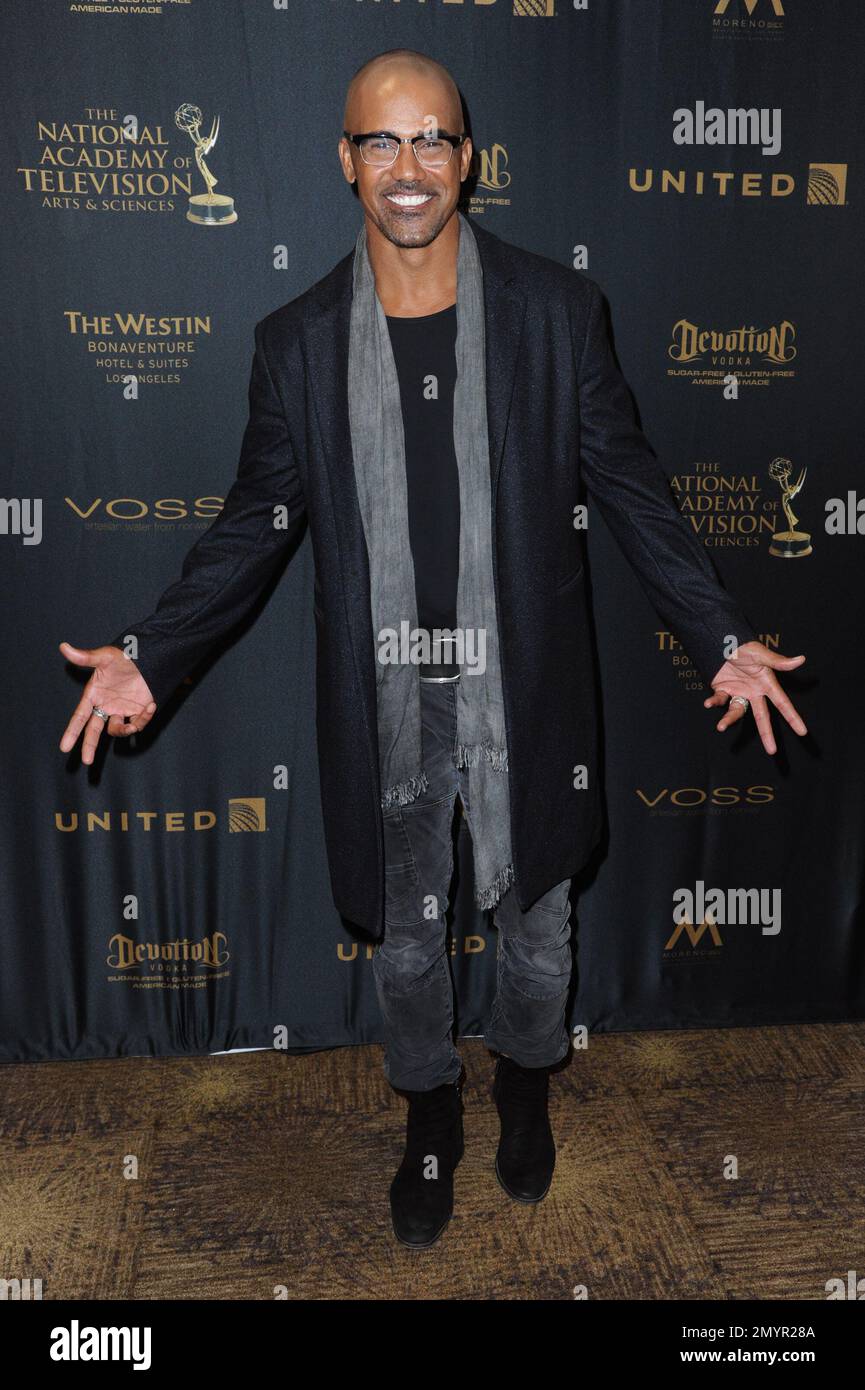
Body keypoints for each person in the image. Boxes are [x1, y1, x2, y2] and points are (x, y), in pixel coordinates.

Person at [58, 49, 808, 1250]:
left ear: (469, 157)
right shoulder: (295, 342)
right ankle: (427, 1116)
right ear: (343, 160)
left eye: (433, 141)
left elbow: (630, 488)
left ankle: (520, 1086)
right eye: (381, 143)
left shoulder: (556, 314)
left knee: (536, 924)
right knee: (406, 938)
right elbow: (256, 523)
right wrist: (153, 650)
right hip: (385, 697)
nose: (409, 169)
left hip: (527, 687)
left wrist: (716, 630)